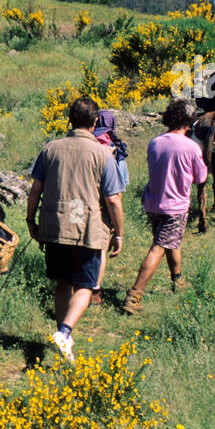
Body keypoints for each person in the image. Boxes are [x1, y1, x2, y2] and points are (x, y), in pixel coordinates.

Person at [25, 97, 125, 362]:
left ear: (69, 119)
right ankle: (65, 331)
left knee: (63, 282)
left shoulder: (50, 148)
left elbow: (35, 189)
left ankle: (63, 335)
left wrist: (30, 220)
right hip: (87, 228)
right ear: (95, 123)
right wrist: (119, 232)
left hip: (55, 225)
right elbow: (113, 199)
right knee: (87, 284)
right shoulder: (104, 154)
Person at [122, 100, 208, 315]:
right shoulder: (191, 147)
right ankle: (134, 295)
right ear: (190, 122)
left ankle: (178, 280)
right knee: (159, 247)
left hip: (153, 203)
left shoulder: (155, 142)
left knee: (170, 241)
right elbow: (201, 177)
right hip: (175, 206)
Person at [88, 109, 130, 305]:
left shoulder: (84, 141)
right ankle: (95, 291)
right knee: (101, 249)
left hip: (78, 201)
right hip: (102, 205)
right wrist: (117, 224)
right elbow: (118, 189)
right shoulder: (113, 147)